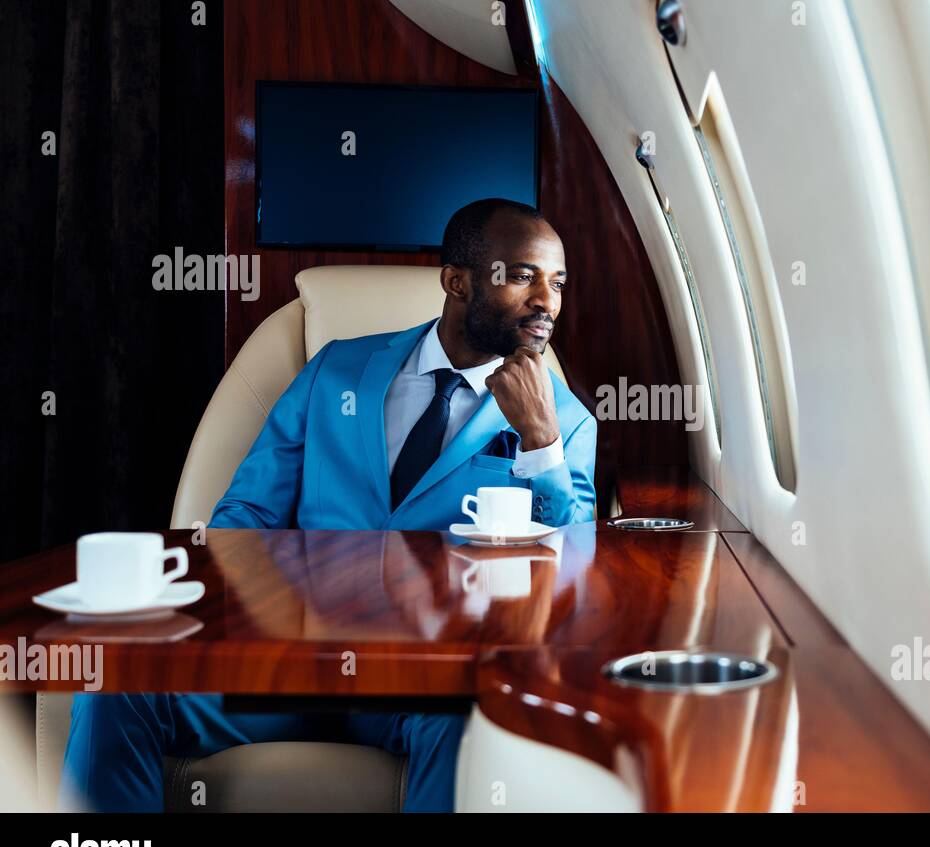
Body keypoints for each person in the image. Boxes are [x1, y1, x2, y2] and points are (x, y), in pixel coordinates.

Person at [59, 198, 596, 812]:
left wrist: (541, 444)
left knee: (468, 726)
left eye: (557, 283)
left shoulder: (566, 424)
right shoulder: (335, 370)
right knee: (114, 683)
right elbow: (248, 516)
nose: (546, 301)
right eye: (523, 276)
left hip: (422, 680)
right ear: (456, 281)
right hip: (289, 659)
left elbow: (571, 576)